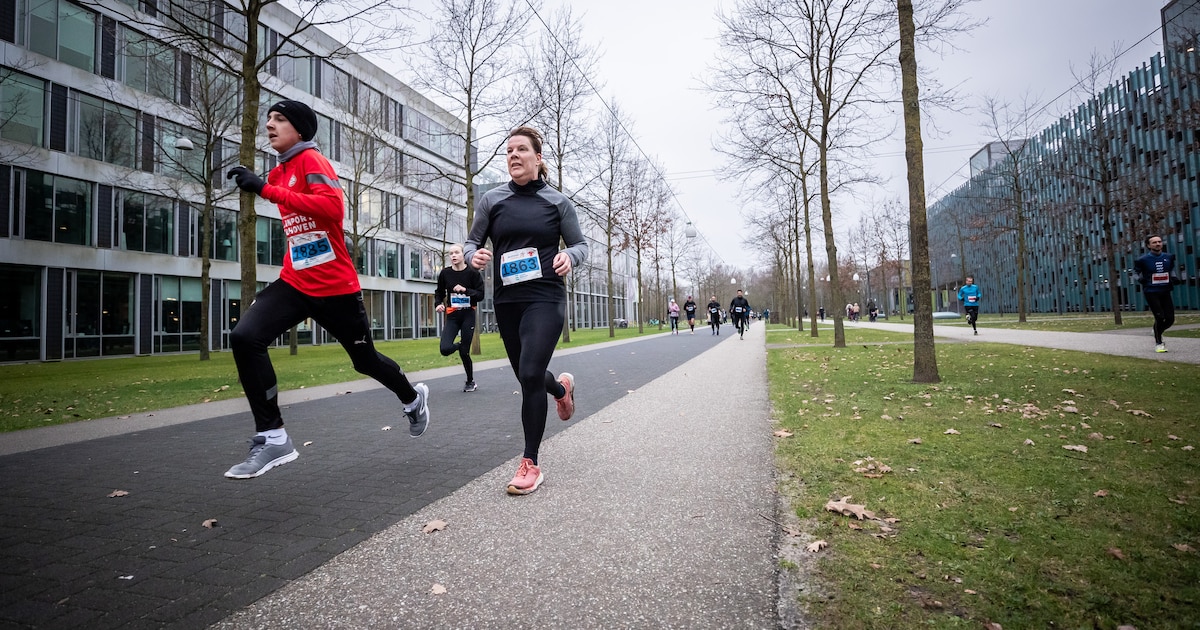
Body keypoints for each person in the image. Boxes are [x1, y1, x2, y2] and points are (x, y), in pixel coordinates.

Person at [223, 100, 429, 479]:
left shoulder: (312, 162)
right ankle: (272, 437)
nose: (269, 125)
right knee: (245, 337)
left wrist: (265, 190)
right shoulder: (281, 170)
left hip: (334, 287)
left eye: (279, 119)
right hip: (295, 281)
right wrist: (265, 184)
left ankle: (412, 398)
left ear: (300, 130)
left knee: (364, 362)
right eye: (267, 119)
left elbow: (333, 210)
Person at [464, 126, 587, 496]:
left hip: (546, 297)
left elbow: (580, 244)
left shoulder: (557, 202)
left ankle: (530, 463)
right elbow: (472, 242)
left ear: (538, 157)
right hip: (507, 301)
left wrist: (569, 256)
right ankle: (560, 388)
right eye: (508, 151)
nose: (513, 155)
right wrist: (475, 257)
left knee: (530, 371)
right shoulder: (492, 201)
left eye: (521, 150)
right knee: (527, 376)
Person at [435, 243, 486, 392]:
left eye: (457, 252)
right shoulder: (445, 273)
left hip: (468, 314)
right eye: (451, 254)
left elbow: (480, 295)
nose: (453, 256)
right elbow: (439, 292)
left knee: (465, 352)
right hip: (452, 315)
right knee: (445, 349)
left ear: (464, 255)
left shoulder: (473, 273)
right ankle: (459, 345)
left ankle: (470, 381)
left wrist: (465, 290)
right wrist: (438, 303)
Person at [1133, 234, 1179, 353]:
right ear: (1148, 245)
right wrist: (1140, 279)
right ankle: (1159, 343)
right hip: (1151, 291)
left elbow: (1171, 269)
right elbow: (1135, 273)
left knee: (1170, 319)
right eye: (1154, 242)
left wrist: (1174, 278)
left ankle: (1157, 330)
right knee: (1159, 317)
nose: (1158, 244)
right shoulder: (1142, 260)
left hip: (1165, 290)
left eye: (1159, 241)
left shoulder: (1169, 257)